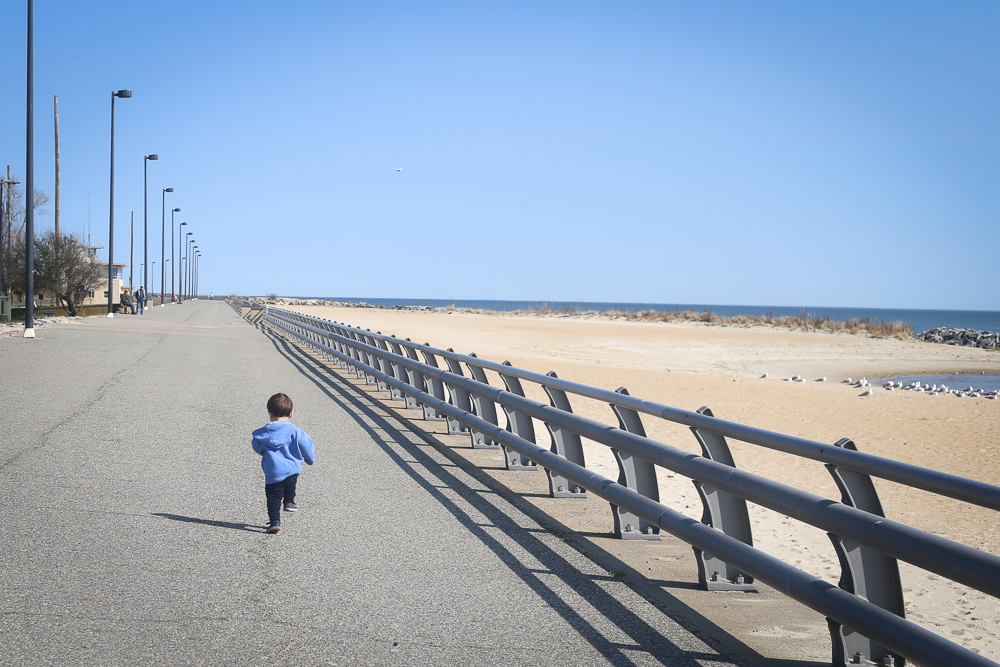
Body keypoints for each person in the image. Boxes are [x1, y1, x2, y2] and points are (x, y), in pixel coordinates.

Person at [250, 393, 315, 534]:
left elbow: (257, 446)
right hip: (293, 468)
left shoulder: (264, 433)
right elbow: (307, 446)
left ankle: (275, 521)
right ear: (291, 414)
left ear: (269, 413)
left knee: (273, 496)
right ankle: (289, 502)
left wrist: (265, 451)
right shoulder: (296, 432)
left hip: (274, 471)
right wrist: (310, 460)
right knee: (290, 484)